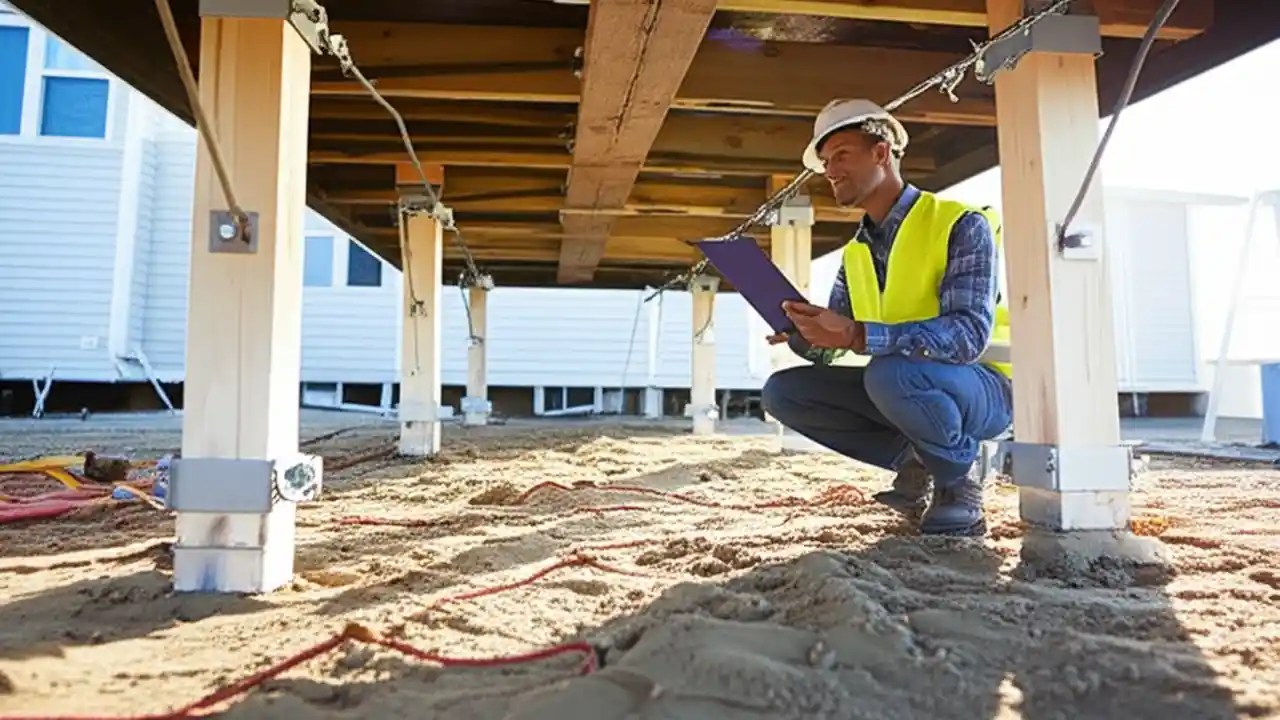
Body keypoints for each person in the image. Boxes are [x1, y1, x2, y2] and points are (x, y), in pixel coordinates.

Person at [761, 98, 1014, 538]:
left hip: (982, 386)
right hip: (905, 384)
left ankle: (959, 479)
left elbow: (968, 335)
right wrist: (805, 334)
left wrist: (859, 334)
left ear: (882, 153)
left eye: (841, 155)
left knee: (889, 374)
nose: (830, 171)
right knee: (785, 392)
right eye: (824, 162)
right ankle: (915, 464)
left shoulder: (960, 224)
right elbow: (836, 345)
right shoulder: (857, 251)